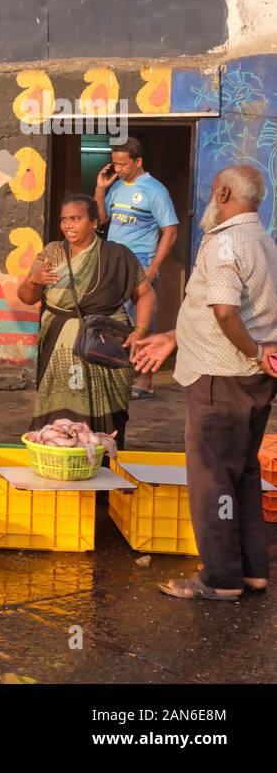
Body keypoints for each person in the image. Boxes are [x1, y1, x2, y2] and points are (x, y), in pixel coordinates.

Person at [133, 165, 277, 601]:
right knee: (243, 473)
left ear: (227, 192)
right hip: (251, 380)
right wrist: (178, 336)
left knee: (212, 478)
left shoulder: (225, 241)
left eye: (214, 192)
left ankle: (220, 579)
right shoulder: (264, 241)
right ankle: (251, 571)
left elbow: (225, 313)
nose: (208, 202)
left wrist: (250, 352)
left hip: (221, 377)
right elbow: (228, 310)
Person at [17, 193, 155, 447]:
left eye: (76, 219)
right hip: (58, 345)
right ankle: (57, 465)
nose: (68, 225)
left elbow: (145, 293)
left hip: (104, 345)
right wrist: (31, 280)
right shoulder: (53, 253)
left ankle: (102, 470)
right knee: (59, 423)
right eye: (64, 219)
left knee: (105, 423)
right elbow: (26, 297)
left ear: (94, 222)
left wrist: (141, 330)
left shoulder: (118, 256)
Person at [96, 137, 179, 399]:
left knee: (141, 322)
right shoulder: (117, 187)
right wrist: (100, 188)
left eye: (123, 164)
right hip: (113, 264)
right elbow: (100, 219)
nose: (117, 169)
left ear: (138, 161)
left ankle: (145, 381)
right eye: (115, 163)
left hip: (140, 264)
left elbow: (171, 231)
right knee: (114, 321)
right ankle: (118, 376)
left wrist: (154, 267)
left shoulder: (155, 190)